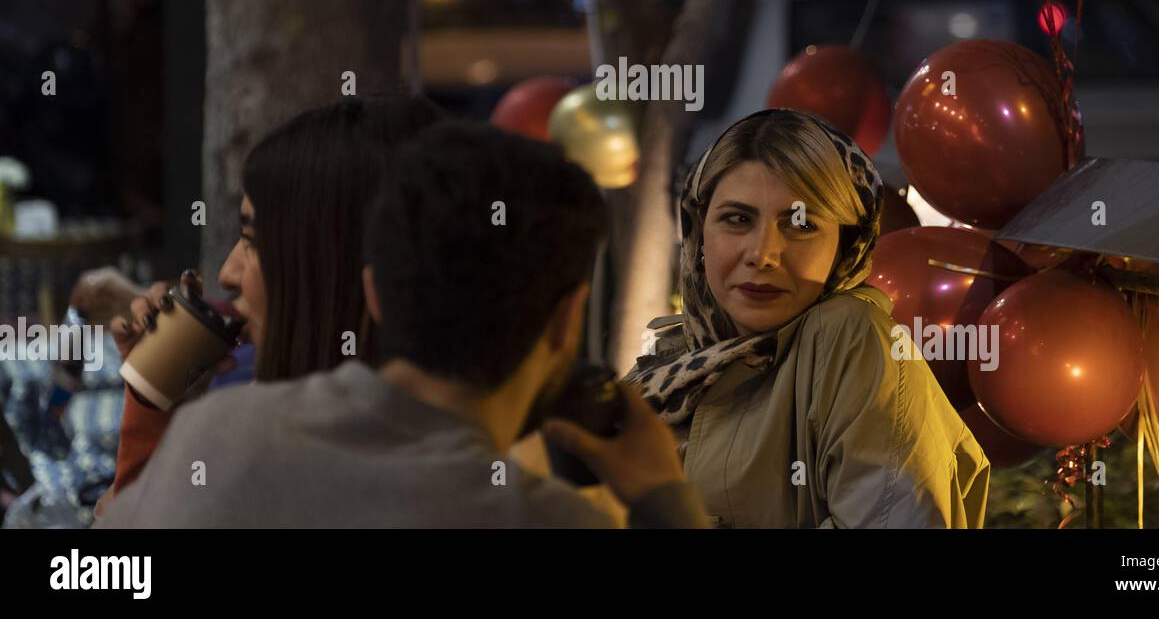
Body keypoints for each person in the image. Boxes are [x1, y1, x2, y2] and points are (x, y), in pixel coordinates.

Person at [97, 121, 707, 527]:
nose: (229, 272)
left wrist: (154, 406)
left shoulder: (221, 435)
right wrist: (662, 497)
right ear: (565, 319)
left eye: (254, 241)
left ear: (374, 292)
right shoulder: (552, 518)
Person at [627, 108, 991, 528]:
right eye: (737, 219)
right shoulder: (672, 364)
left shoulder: (848, 334)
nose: (763, 254)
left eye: (800, 224)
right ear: (698, 231)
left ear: (846, 244)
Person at [94, 94, 445, 504]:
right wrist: (155, 393)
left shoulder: (253, 451)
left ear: (345, 272)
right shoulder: (242, 382)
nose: (227, 274)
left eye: (254, 242)